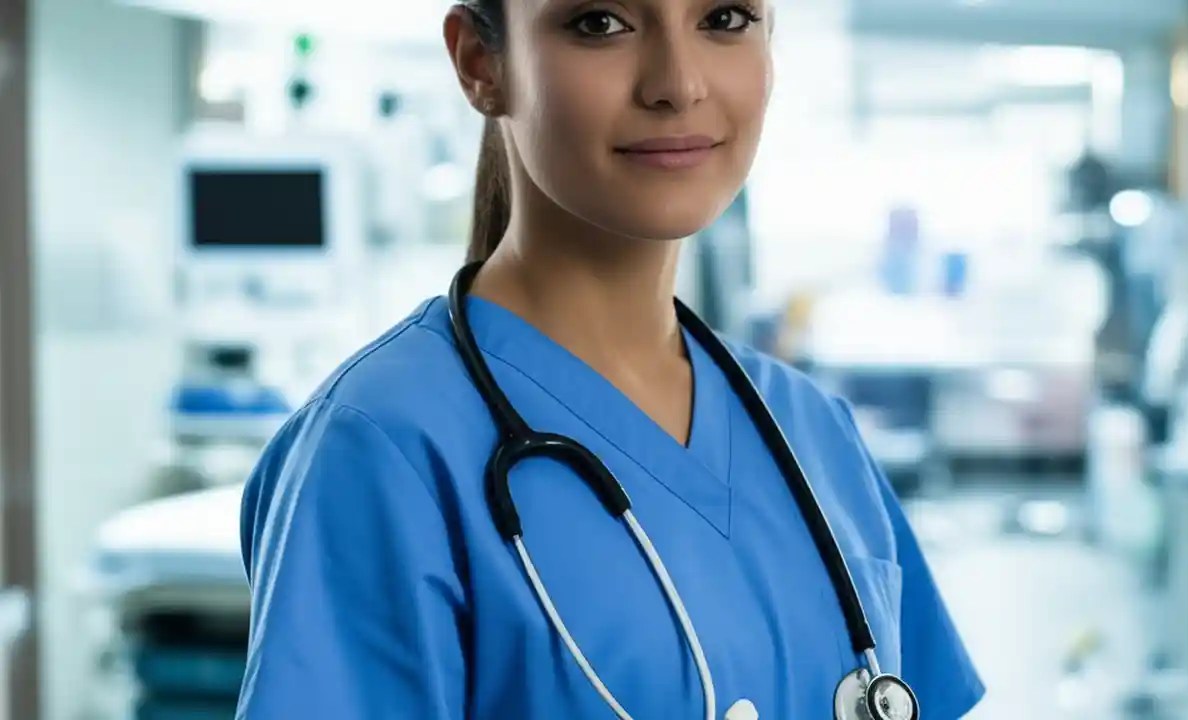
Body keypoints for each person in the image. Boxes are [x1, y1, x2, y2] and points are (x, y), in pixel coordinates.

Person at [234, 0, 985, 717]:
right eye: (601, 23)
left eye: (725, 19)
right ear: (480, 64)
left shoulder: (813, 434)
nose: (678, 84)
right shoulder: (381, 448)